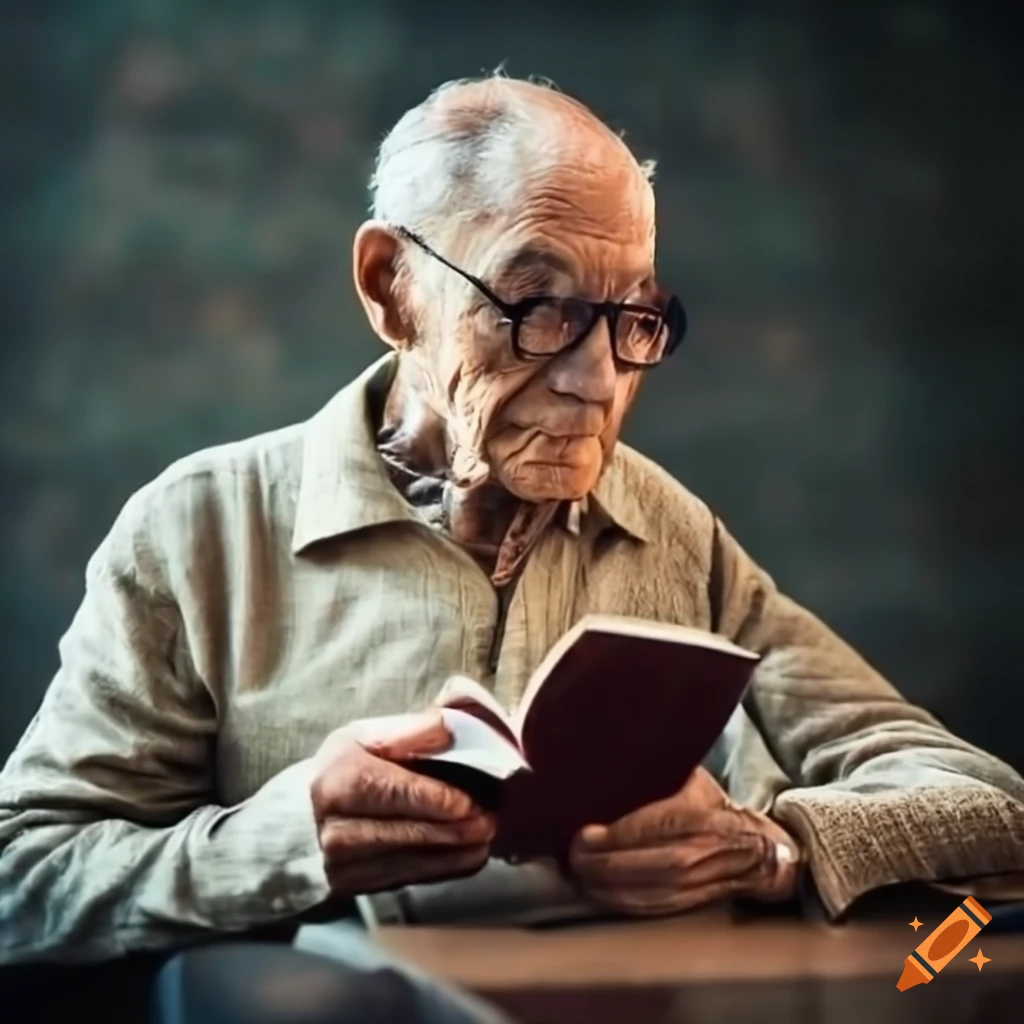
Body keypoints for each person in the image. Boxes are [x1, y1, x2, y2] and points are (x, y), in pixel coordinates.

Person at [2, 73, 1023, 967]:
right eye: (535, 307)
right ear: (389, 287)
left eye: (634, 317)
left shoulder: (670, 529)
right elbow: (23, 880)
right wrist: (281, 842)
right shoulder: (202, 530)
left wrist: (768, 845)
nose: (596, 381)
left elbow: (987, 807)